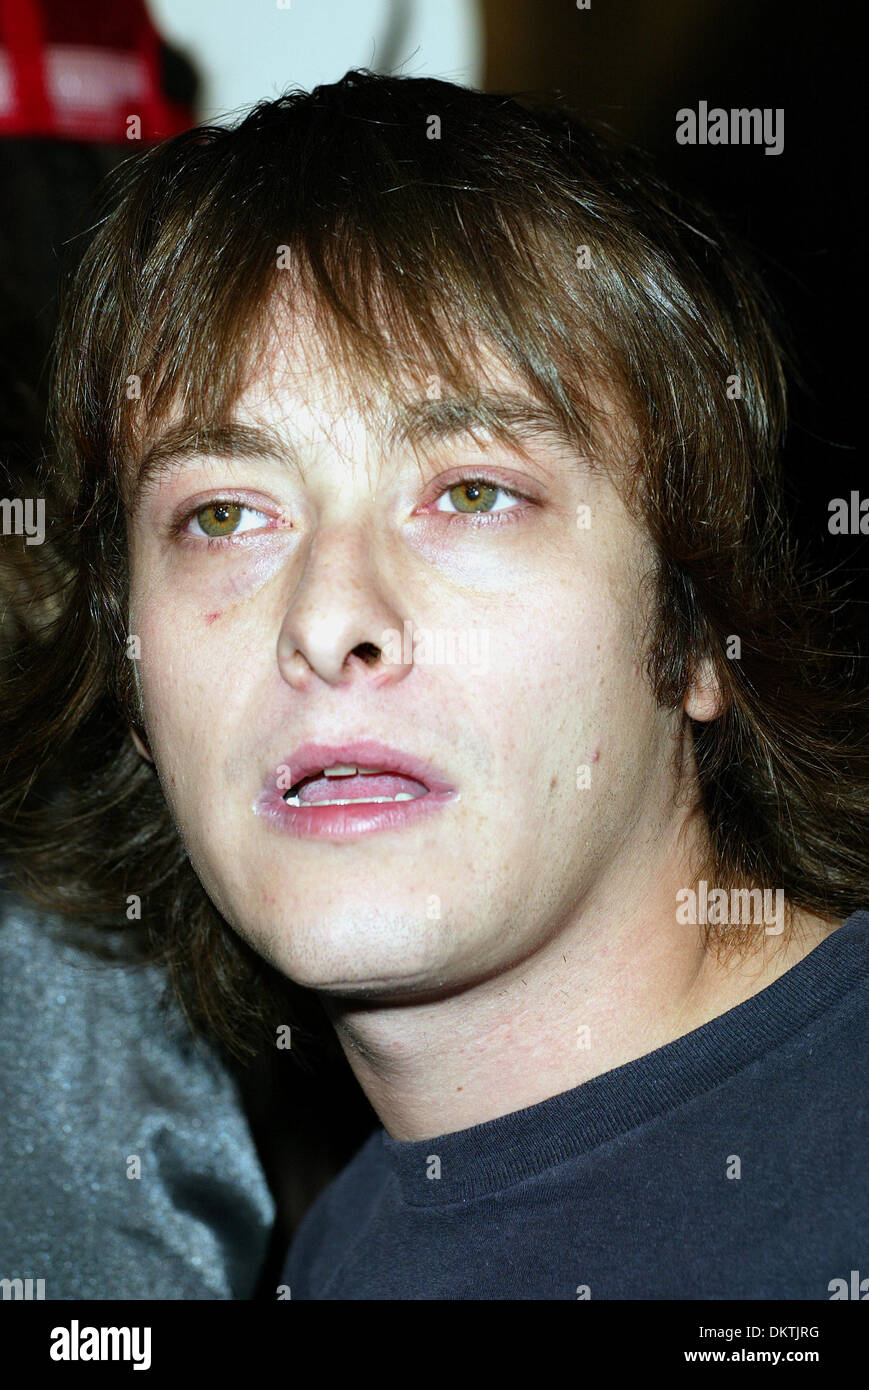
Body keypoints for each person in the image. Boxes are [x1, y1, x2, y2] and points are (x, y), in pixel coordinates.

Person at [5, 70, 866, 1300]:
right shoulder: (339, 1257)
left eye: (471, 493)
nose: (328, 617)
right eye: (227, 513)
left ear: (695, 633)